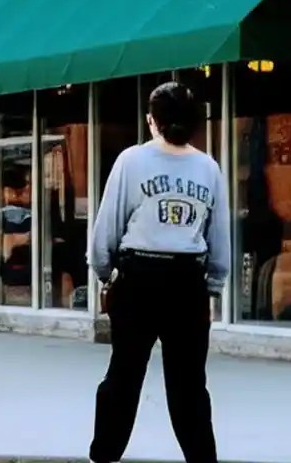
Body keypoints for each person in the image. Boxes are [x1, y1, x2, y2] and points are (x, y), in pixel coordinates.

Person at [88, 81, 231, 463]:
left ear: (152, 120)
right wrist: (213, 285)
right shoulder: (208, 168)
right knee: (189, 384)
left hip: (138, 276)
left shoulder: (131, 161)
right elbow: (219, 234)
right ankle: (202, 459)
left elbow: (107, 226)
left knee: (123, 374)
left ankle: (105, 454)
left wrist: (105, 274)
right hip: (188, 280)